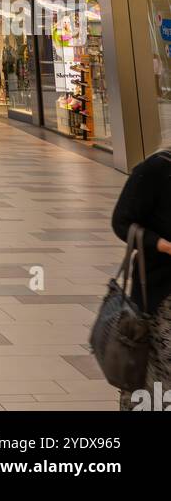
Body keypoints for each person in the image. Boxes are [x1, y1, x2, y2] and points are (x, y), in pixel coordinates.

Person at [112, 147, 171, 409]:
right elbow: (122, 222)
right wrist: (163, 245)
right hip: (159, 295)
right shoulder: (156, 169)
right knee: (152, 372)